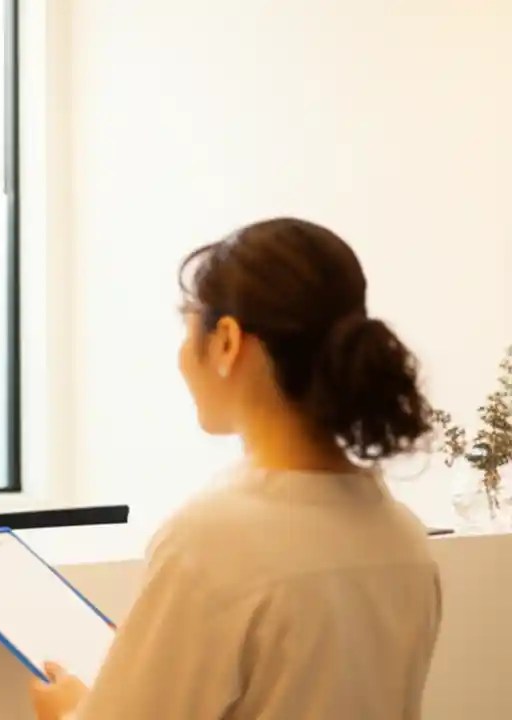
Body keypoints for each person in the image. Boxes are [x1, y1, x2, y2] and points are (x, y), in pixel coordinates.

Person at [31, 218, 442, 719]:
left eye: (188, 332)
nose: (183, 359)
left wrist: (72, 708)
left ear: (225, 342)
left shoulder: (211, 541)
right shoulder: (403, 537)